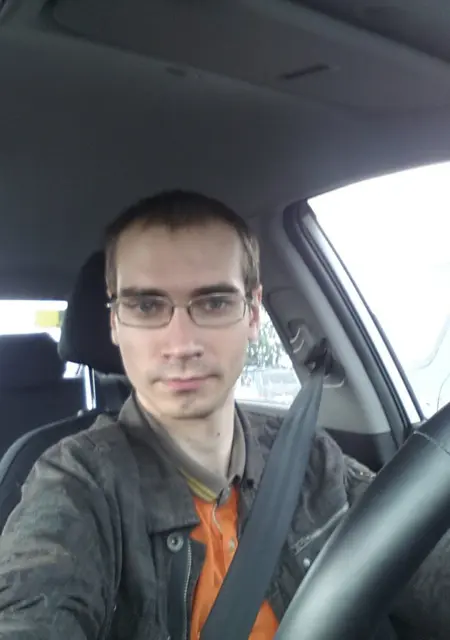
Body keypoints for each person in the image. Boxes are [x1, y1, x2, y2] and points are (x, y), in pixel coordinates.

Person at [0, 190, 448, 640]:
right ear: (115, 322)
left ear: (252, 314)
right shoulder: (76, 484)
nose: (181, 345)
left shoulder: (312, 461)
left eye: (214, 303)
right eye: (146, 306)